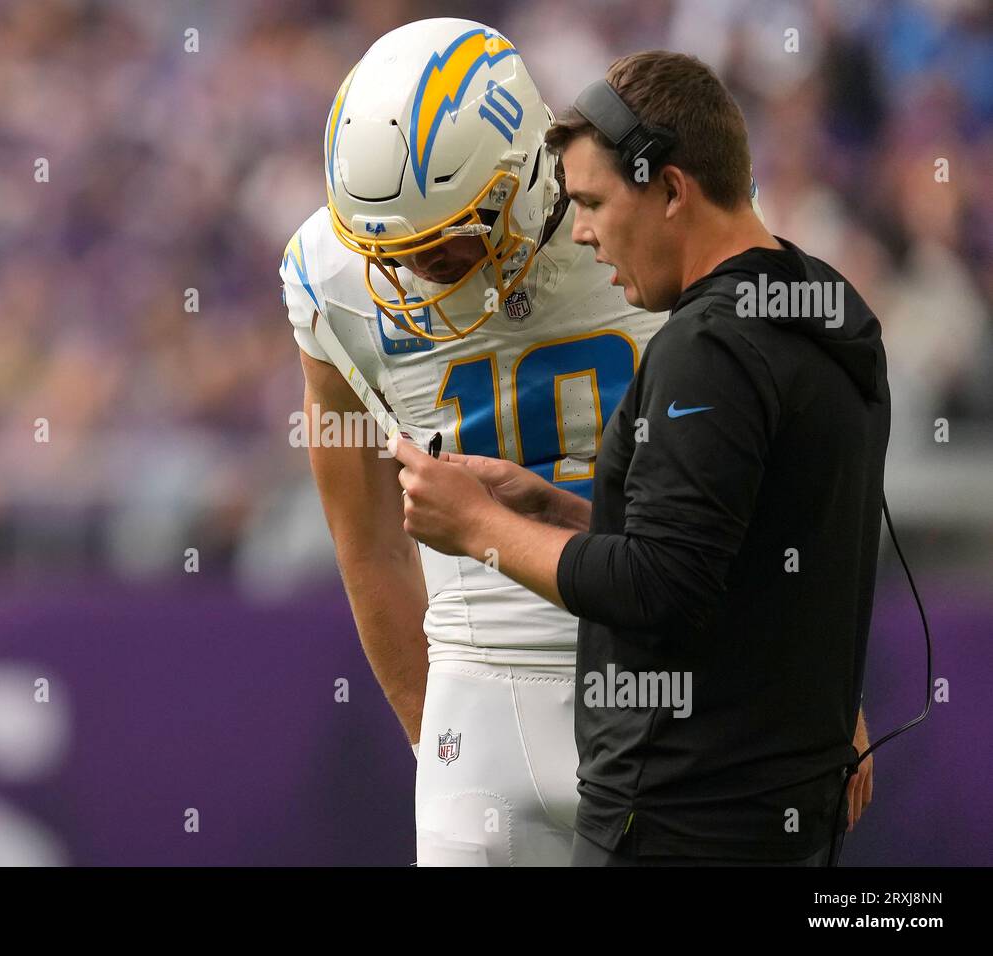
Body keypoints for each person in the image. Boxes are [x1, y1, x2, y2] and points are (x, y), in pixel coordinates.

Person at [389, 50, 883, 865]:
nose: (580, 230)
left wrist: (479, 527)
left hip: (683, 820)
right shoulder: (824, 306)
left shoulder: (707, 346)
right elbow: (739, 556)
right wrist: (563, 512)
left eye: (592, 201)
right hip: (785, 812)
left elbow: (662, 587)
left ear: (671, 190)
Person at [279, 18, 665, 865]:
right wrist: (437, 744)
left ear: (525, 172)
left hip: (673, 676)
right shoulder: (336, 277)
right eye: (394, 251)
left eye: (445, 240)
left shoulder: (648, 219)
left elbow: (790, 460)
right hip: (481, 696)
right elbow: (369, 541)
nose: (416, 275)